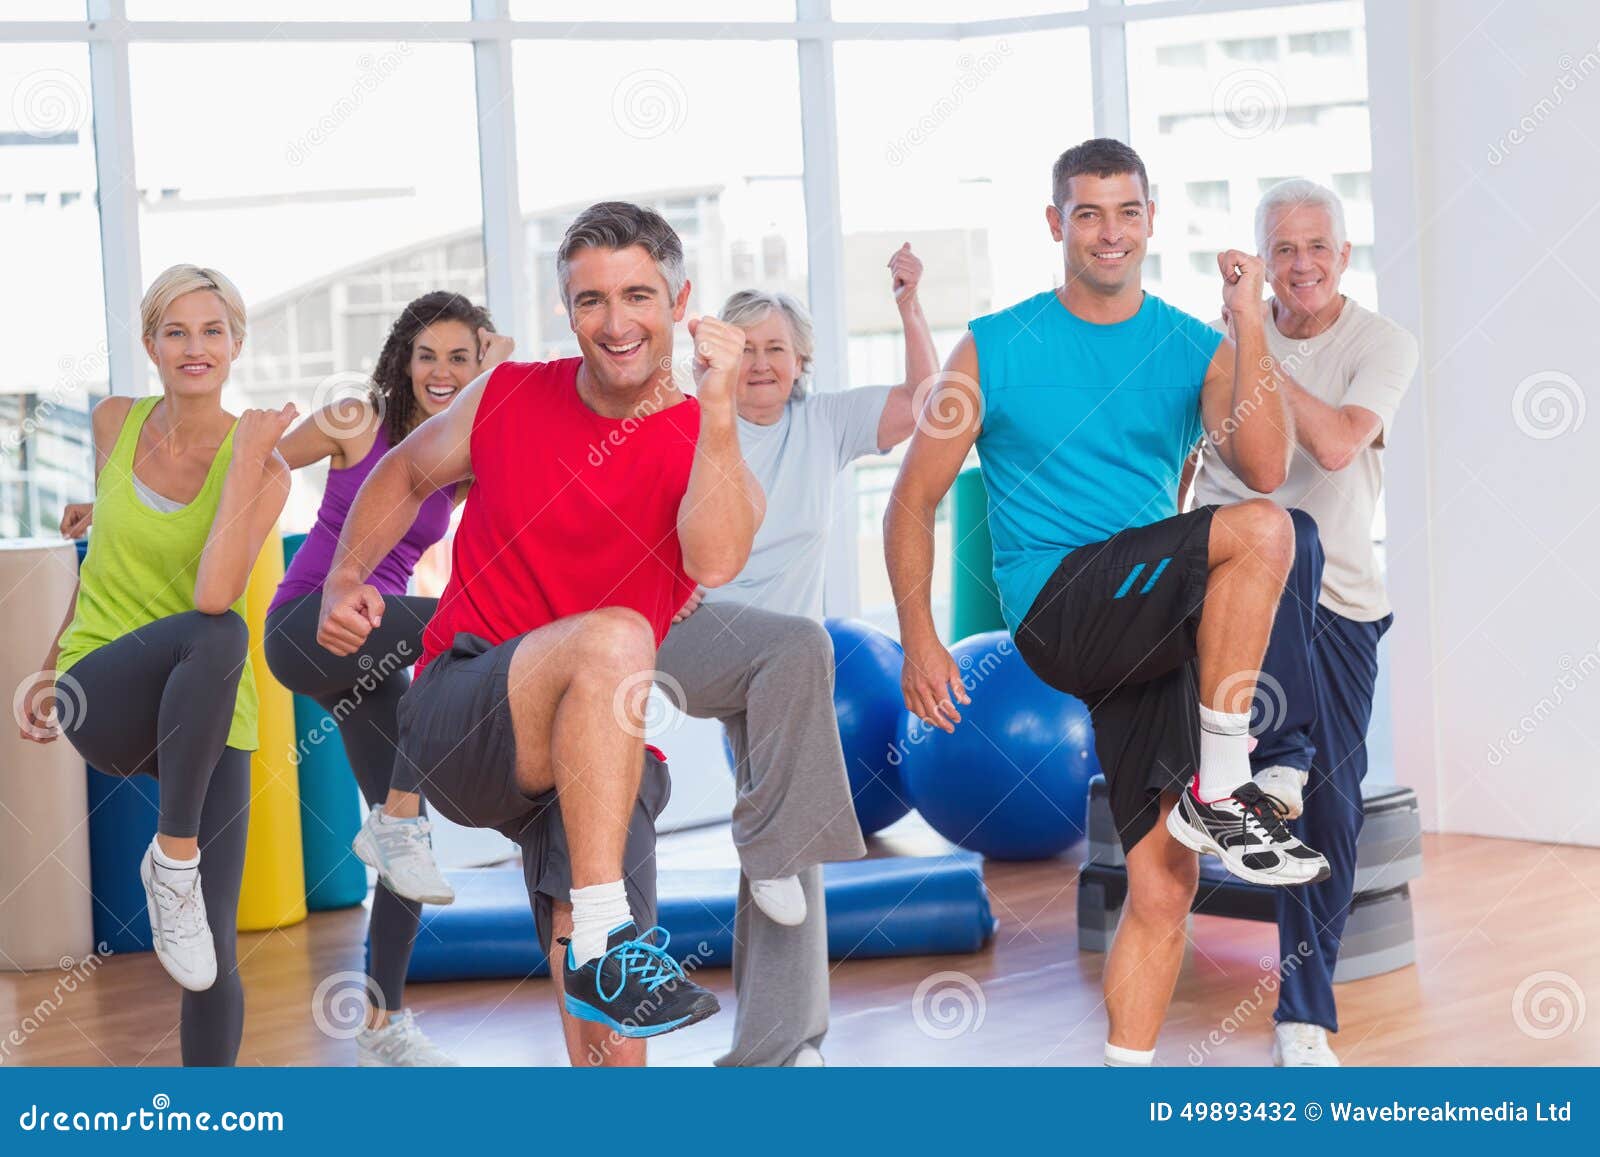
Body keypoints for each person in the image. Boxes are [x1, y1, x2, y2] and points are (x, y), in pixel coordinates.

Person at [885, 138, 1330, 1069]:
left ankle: (1120, 1088)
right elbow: (912, 498)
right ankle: (1224, 782)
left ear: (1151, 220)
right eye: (1088, 213)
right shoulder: (994, 346)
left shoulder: (1187, 342)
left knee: (1165, 885)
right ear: (1057, 225)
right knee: (1262, 533)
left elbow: (1265, 464)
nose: (1109, 231)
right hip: (1061, 604)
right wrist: (920, 639)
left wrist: (1248, 322)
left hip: (1151, 626)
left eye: (1126, 211)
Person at [316, 201, 763, 1065]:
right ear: (569, 311)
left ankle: (596, 944)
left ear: (682, 301)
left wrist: (715, 409)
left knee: (613, 1033)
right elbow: (407, 470)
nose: (615, 320)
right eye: (591, 299)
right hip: (463, 709)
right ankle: (602, 936)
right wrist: (346, 575)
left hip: (598, 749)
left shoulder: (709, 440)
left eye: (638, 294)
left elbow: (716, 556)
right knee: (617, 638)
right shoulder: (512, 394)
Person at [657, 243, 940, 1066]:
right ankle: (783, 1030)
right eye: (743, 348)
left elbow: (928, 402)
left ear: (802, 360)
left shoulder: (822, 423)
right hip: (695, 641)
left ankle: (780, 1049)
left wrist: (909, 305)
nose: (761, 363)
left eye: (776, 348)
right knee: (784, 836)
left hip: (781, 675)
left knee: (787, 856)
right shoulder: (695, 425)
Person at [21, 265, 293, 1065]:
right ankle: (172, 857)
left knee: (208, 950)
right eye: (176, 331)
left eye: (213, 331)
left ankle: (211, 1121)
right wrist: (45, 664)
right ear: (150, 344)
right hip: (101, 684)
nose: (194, 347)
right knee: (218, 637)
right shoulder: (115, 422)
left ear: (237, 344)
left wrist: (245, 455)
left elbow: (214, 590)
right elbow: (105, 559)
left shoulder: (267, 472)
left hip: (207, 712)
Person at [1188, 178, 1418, 1067]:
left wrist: (1255, 343)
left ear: (1344, 256)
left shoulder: (1379, 342)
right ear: (1262, 261)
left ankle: (1302, 1015)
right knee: (1282, 534)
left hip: (1342, 607)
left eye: (1316, 246)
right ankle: (1263, 766)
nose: (1301, 264)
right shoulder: (1223, 348)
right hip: (1237, 586)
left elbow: (1334, 444)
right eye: (1282, 249)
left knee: (1330, 810)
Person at [263, 291, 513, 1066]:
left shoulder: (457, 451)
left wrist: (496, 361)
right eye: (427, 354)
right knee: (466, 624)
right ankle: (392, 820)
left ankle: (383, 1024)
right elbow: (253, 465)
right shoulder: (356, 417)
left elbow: (519, 423)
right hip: (307, 623)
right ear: (404, 359)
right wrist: (112, 506)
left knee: (410, 844)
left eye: (460, 358)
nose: (441, 372)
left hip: (367, 660)